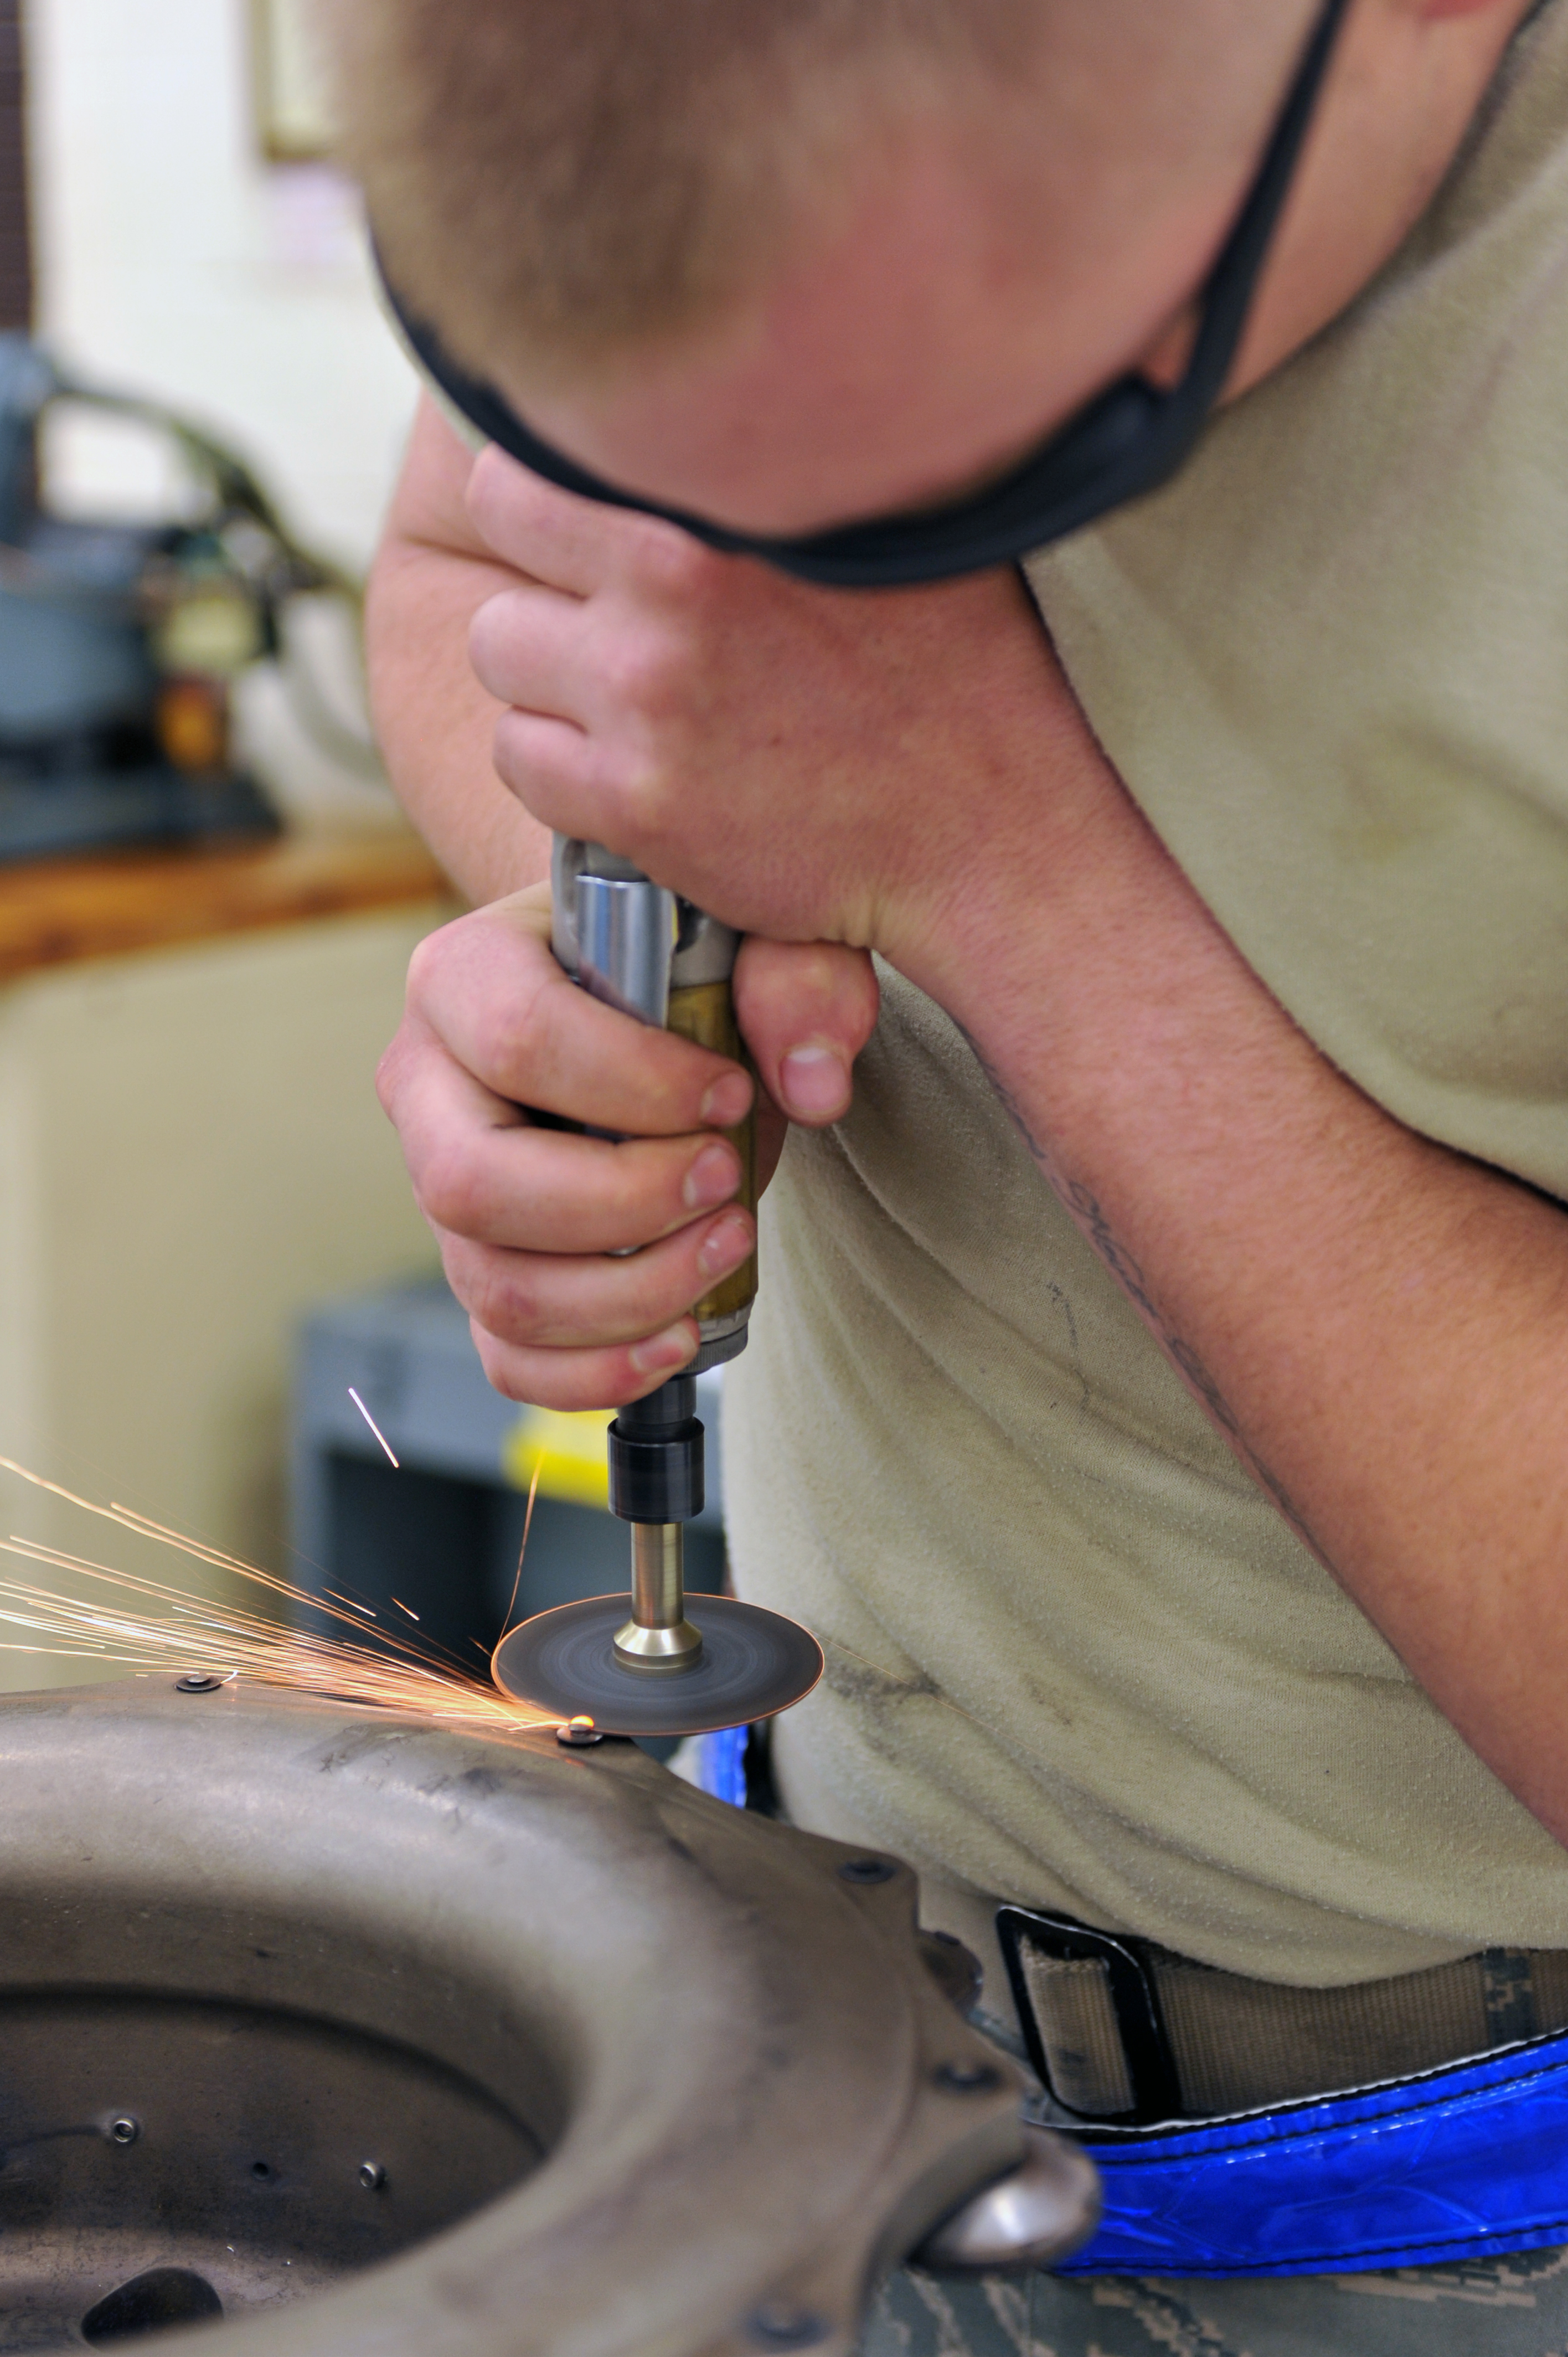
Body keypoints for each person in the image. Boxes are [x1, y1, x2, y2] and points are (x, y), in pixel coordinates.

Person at [326, 0, 1568, 2344]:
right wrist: (635, 956)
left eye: (952, 488)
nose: (728, 564)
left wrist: (1002, 858)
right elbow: (455, 569)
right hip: (837, 2026)